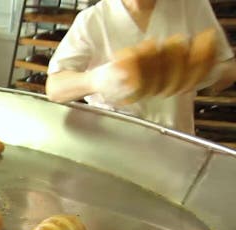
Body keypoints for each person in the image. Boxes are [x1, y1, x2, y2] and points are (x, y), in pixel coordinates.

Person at [45, 0, 236, 134]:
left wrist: (207, 72)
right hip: (113, 144)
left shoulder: (191, 6)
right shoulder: (94, 19)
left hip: (176, 145)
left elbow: (229, 69)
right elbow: (54, 88)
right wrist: (96, 80)